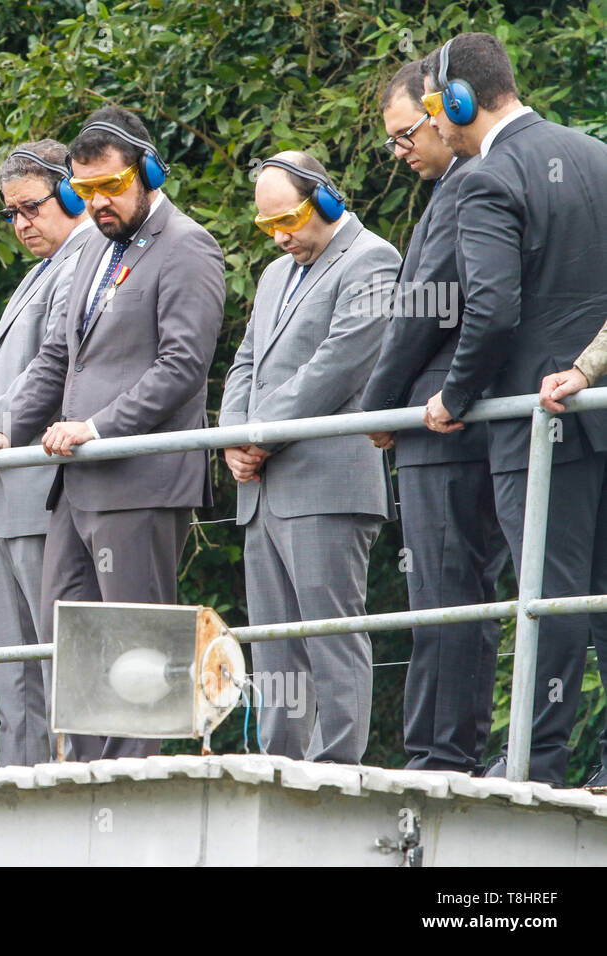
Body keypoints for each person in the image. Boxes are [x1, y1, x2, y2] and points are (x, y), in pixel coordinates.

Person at [0, 106, 226, 762]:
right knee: (69, 633)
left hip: (138, 478)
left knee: (137, 642)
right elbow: (57, 360)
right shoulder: (90, 253)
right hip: (74, 488)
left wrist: (99, 428)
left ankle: (135, 784)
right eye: (86, 191)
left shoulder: (188, 244)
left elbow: (183, 366)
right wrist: (3, 433)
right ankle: (86, 778)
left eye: (111, 187)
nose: (99, 203)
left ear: (149, 172)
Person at [420, 32, 607, 786]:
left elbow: (491, 311)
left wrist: (452, 395)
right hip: (597, 407)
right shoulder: (595, 154)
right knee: (599, 590)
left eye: (435, 108)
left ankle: (538, 762)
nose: (435, 124)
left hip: (540, 420)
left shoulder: (487, 177)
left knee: (546, 592)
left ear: (460, 101)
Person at [220, 152, 400, 765]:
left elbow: (339, 364)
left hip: (328, 483)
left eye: (289, 219)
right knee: (275, 646)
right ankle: (281, 766)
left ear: (325, 199)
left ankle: (336, 770)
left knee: (330, 634)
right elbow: (245, 363)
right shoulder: (273, 275)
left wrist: (258, 435)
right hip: (264, 488)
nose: (279, 235)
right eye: (266, 225)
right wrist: (230, 438)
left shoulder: (374, 258)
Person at [361, 62, 506, 774]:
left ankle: (441, 757)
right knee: (454, 595)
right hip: (444, 423)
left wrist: (377, 409)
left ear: (441, 109)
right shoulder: (460, 185)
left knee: (445, 597)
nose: (402, 151)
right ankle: (447, 751)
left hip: (439, 426)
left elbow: (422, 311)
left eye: (406, 133)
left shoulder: (466, 187)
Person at [0, 141, 94, 767]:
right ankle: (22, 798)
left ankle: (69, 797)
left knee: (57, 667)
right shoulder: (45, 268)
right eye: (11, 213)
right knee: (16, 678)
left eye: (31, 207)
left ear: (72, 192)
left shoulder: (86, 258)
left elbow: (53, 368)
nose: (20, 224)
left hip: (40, 495)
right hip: (4, 491)